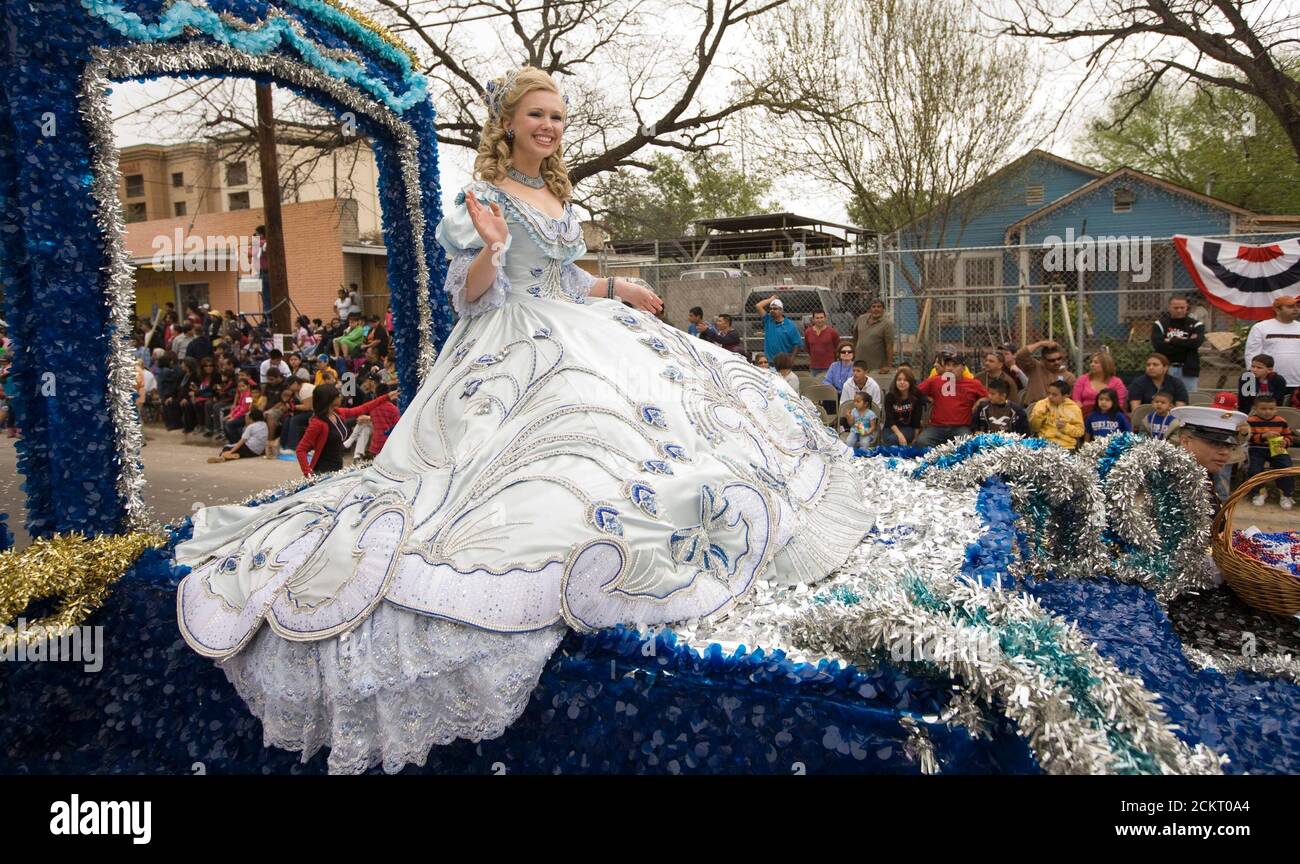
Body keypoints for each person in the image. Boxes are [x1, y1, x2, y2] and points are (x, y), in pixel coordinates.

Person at [172, 66, 872, 776]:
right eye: (537, 115)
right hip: (509, 343)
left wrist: (613, 285)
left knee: (683, 404)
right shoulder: (480, 198)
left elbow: (565, 279)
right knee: (557, 452)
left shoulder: (555, 191)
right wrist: (493, 249)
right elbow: (472, 300)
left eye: (559, 118)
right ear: (506, 123)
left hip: (574, 320)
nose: (549, 126)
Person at [916, 350, 988, 447]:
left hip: (961, 427)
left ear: (963, 368)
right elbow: (915, 392)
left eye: (955, 365)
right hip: (937, 427)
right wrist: (927, 398)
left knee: (967, 444)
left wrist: (979, 401)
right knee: (922, 441)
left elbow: (989, 398)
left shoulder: (973, 384)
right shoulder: (935, 381)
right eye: (948, 365)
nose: (950, 368)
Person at [1245, 393, 1295, 509]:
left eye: (1271, 409)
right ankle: (1260, 492)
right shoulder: (1251, 421)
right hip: (1257, 449)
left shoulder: (1281, 421)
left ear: (1276, 409)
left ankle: (1286, 494)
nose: (1267, 412)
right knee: (1254, 469)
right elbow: (1248, 437)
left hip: (1278, 448)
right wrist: (1263, 436)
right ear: (1255, 409)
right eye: (1263, 409)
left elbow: (1289, 436)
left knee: (1286, 468)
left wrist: (1285, 441)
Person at [1243, 295, 1300, 395]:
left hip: (1297, 383)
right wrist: (1254, 379)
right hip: (1270, 382)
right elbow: (1251, 355)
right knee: (1270, 410)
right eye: (1290, 306)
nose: (1296, 309)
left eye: (1297, 306)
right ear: (1277, 309)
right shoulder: (1260, 327)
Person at [1151, 296, 1205, 392]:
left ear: (1186, 307)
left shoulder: (1197, 325)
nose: (1179, 310)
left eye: (1182, 308)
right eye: (1176, 308)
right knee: (1165, 398)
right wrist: (1187, 343)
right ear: (1169, 307)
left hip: (1189, 369)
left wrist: (1172, 341)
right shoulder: (1159, 324)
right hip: (1166, 369)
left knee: (1189, 399)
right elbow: (1159, 346)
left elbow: (1196, 343)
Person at [1015, 340, 1077, 405]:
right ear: (1043, 360)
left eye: (1059, 358)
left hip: (1057, 409)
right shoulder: (1035, 367)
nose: (1056, 362)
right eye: (1052, 360)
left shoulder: (1069, 377)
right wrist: (1040, 344)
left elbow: (1070, 399)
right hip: (1033, 407)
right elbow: (1020, 356)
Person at [1028, 380, 1084, 449]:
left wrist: (1066, 427)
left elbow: (1080, 432)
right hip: (1044, 444)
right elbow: (1034, 428)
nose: (1050, 397)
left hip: (1066, 447)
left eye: (1054, 394)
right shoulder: (1042, 404)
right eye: (1049, 393)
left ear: (1065, 396)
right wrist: (1038, 415)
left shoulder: (1074, 408)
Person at [1072, 351, 1128, 417]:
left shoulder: (1117, 382)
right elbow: (1076, 400)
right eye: (1091, 362)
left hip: (1109, 416)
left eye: (1096, 363)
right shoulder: (1082, 379)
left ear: (1105, 365)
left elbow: (1119, 404)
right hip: (1085, 415)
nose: (1092, 364)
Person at [881, 368, 926, 446]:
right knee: (890, 440)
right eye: (899, 379)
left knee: (892, 440)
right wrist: (899, 435)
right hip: (891, 427)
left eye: (905, 380)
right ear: (895, 381)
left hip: (908, 428)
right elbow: (889, 419)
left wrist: (915, 437)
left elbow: (917, 419)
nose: (902, 382)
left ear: (910, 382)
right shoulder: (890, 396)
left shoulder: (916, 396)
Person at [755, 295, 803, 364]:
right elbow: (758, 306)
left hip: (783, 363)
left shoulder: (790, 325)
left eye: (775, 309)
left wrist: (791, 359)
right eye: (771, 309)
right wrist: (771, 299)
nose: (772, 311)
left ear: (781, 310)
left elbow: (797, 344)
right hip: (769, 362)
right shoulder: (768, 320)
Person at [852, 298, 893, 374]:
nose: (876, 309)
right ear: (870, 309)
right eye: (873, 307)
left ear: (883, 309)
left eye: (879, 307)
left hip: (876, 367)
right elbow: (855, 336)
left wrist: (888, 366)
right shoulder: (861, 319)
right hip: (859, 363)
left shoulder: (887, 324)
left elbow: (889, 346)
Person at [803, 310, 840, 376]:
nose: (819, 320)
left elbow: (837, 347)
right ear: (813, 319)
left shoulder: (832, 332)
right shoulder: (808, 332)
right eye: (817, 318)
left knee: (828, 386)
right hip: (814, 367)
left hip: (829, 366)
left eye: (821, 317)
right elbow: (807, 348)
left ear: (825, 318)